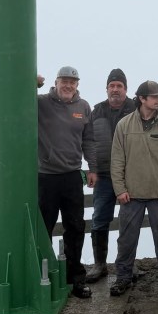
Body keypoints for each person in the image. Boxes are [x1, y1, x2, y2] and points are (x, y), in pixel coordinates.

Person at [109, 81, 158, 298]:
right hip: (130, 196)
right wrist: (120, 189)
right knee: (126, 240)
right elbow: (117, 160)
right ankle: (123, 279)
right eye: (154, 96)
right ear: (142, 99)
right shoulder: (124, 125)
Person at [37, 65, 98, 299]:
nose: (68, 85)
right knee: (44, 228)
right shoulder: (42, 102)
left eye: (72, 82)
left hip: (73, 176)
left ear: (77, 85)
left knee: (75, 227)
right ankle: (44, 276)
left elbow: (89, 139)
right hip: (46, 177)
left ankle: (75, 278)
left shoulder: (83, 107)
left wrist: (92, 168)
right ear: (56, 82)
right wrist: (32, 83)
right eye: (64, 80)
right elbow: (18, 101)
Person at [86, 68, 136, 282]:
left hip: (131, 175)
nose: (115, 89)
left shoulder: (136, 109)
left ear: (126, 89)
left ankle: (127, 266)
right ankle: (100, 265)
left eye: (119, 86)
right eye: (112, 86)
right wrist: (92, 168)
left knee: (131, 221)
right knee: (99, 219)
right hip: (105, 176)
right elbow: (88, 142)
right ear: (106, 88)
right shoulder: (96, 111)